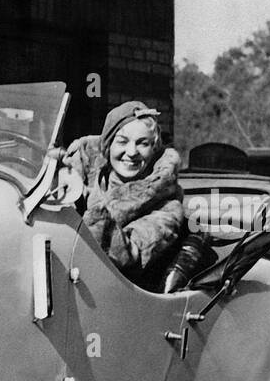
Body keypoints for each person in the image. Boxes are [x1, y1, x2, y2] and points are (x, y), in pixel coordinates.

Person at [61, 101, 187, 288]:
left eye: (143, 144)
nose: (131, 152)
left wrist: (96, 219)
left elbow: (129, 256)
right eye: (122, 141)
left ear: (153, 149)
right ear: (108, 145)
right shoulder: (82, 179)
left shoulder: (167, 207)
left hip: (115, 297)